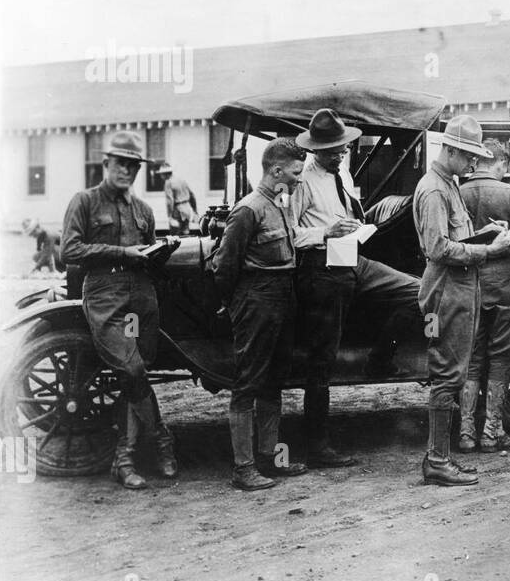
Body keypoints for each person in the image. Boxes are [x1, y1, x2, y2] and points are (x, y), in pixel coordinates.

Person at [292, 108, 423, 468]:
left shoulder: (342, 171)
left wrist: (353, 226)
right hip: (322, 267)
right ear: (315, 151)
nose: (338, 156)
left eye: (343, 149)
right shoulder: (302, 180)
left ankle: (379, 357)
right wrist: (323, 233)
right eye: (331, 151)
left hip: (352, 257)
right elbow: (286, 233)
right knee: (322, 360)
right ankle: (317, 446)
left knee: (419, 292)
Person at [60, 130, 178, 489]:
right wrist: (120, 253)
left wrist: (161, 251)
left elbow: (151, 253)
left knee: (136, 371)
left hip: (139, 297)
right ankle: (161, 439)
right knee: (132, 366)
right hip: (105, 295)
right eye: (121, 163)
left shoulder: (143, 209)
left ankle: (124, 461)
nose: (126, 171)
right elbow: (70, 250)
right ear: (106, 163)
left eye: (133, 166)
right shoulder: (84, 201)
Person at [413, 115, 510, 486]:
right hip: (446, 292)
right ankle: (437, 460)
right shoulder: (436, 190)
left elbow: (457, 237)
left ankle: (439, 458)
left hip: (456, 289)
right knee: (446, 376)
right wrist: (490, 250)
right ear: (452, 150)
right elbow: (438, 247)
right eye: (470, 157)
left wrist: (486, 233)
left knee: (453, 373)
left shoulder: (449, 184)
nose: (474, 164)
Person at [209, 137, 310, 491]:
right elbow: (225, 267)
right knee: (249, 381)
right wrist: (237, 306)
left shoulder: (281, 203)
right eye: (296, 172)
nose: (300, 179)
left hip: (282, 297)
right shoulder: (248, 209)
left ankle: (269, 457)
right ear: (276, 170)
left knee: (274, 380)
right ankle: (243, 467)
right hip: (257, 299)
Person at [457, 139, 510, 453]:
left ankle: (465, 434)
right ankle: (492, 433)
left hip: (469, 281)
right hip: (505, 284)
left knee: (472, 358)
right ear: (500, 163)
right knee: (501, 356)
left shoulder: (458, 192)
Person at [159, 163, 198, 233]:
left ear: (165, 174)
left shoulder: (168, 182)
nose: (161, 176)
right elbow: (192, 195)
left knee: (175, 235)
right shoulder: (182, 180)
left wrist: (170, 216)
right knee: (185, 231)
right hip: (187, 209)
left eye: (161, 174)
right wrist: (195, 210)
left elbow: (169, 201)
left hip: (177, 210)